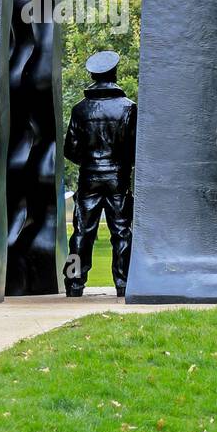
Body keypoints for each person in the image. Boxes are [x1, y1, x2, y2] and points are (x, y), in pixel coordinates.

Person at [64, 50, 137, 298]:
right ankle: (123, 282)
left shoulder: (79, 110)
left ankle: (74, 283)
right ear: (114, 74)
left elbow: (70, 150)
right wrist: (120, 164)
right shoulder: (128, 109)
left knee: (82, 232)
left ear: (93, 75)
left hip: (89, 178)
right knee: (122, 231)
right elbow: (135, 147)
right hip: (118, 178)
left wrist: (90, 162)